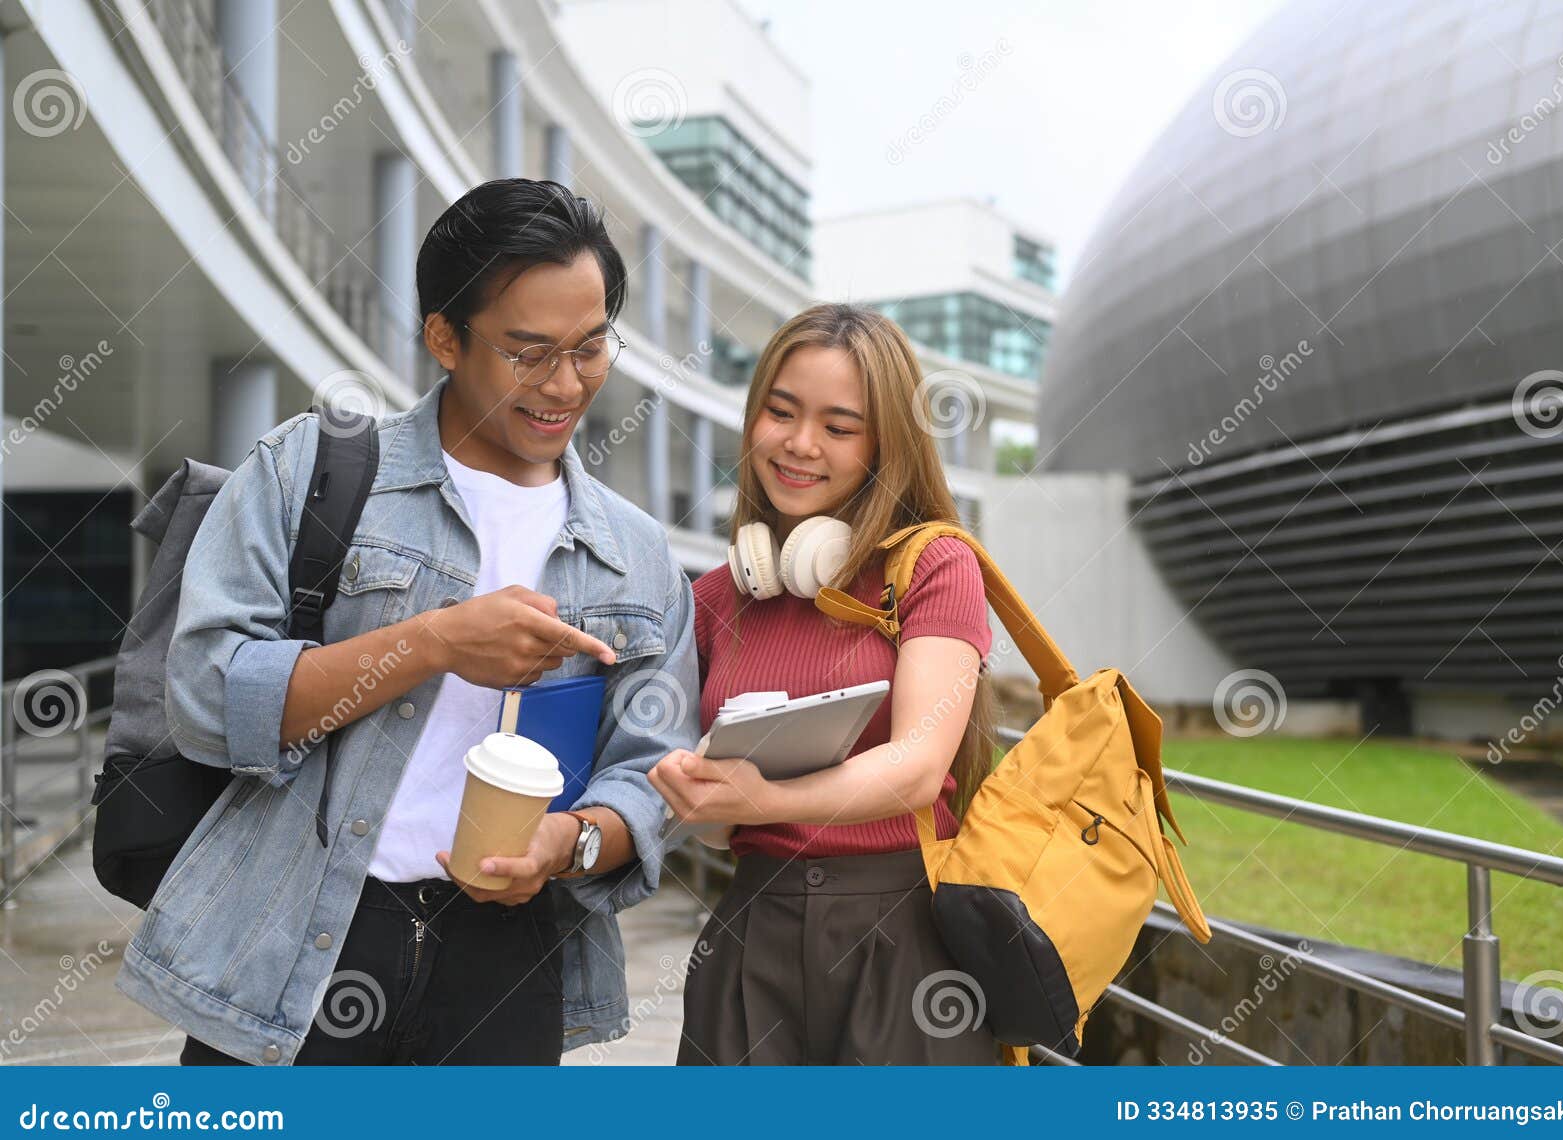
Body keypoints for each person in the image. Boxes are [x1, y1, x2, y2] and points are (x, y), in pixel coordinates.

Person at [115, 179, 698, 1065]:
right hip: (301, 940)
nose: (564, 384)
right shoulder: (310, 470)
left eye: (590, 347)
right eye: (527, 352)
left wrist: (569, 842)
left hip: (508, 961)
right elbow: (205, 695)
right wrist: (435, 643)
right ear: (444, 339)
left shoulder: (638, 552)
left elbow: (649, 771)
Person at [649, 303, 1001, 1065]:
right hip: (752, 930)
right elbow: (671, 773)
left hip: (903, 936)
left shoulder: (935, 568)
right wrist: (688, 785)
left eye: (839, 428)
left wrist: (768, 801)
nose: (800, 444)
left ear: (886, 446)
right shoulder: (715, 599)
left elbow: (917, 767)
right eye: (780, 412)